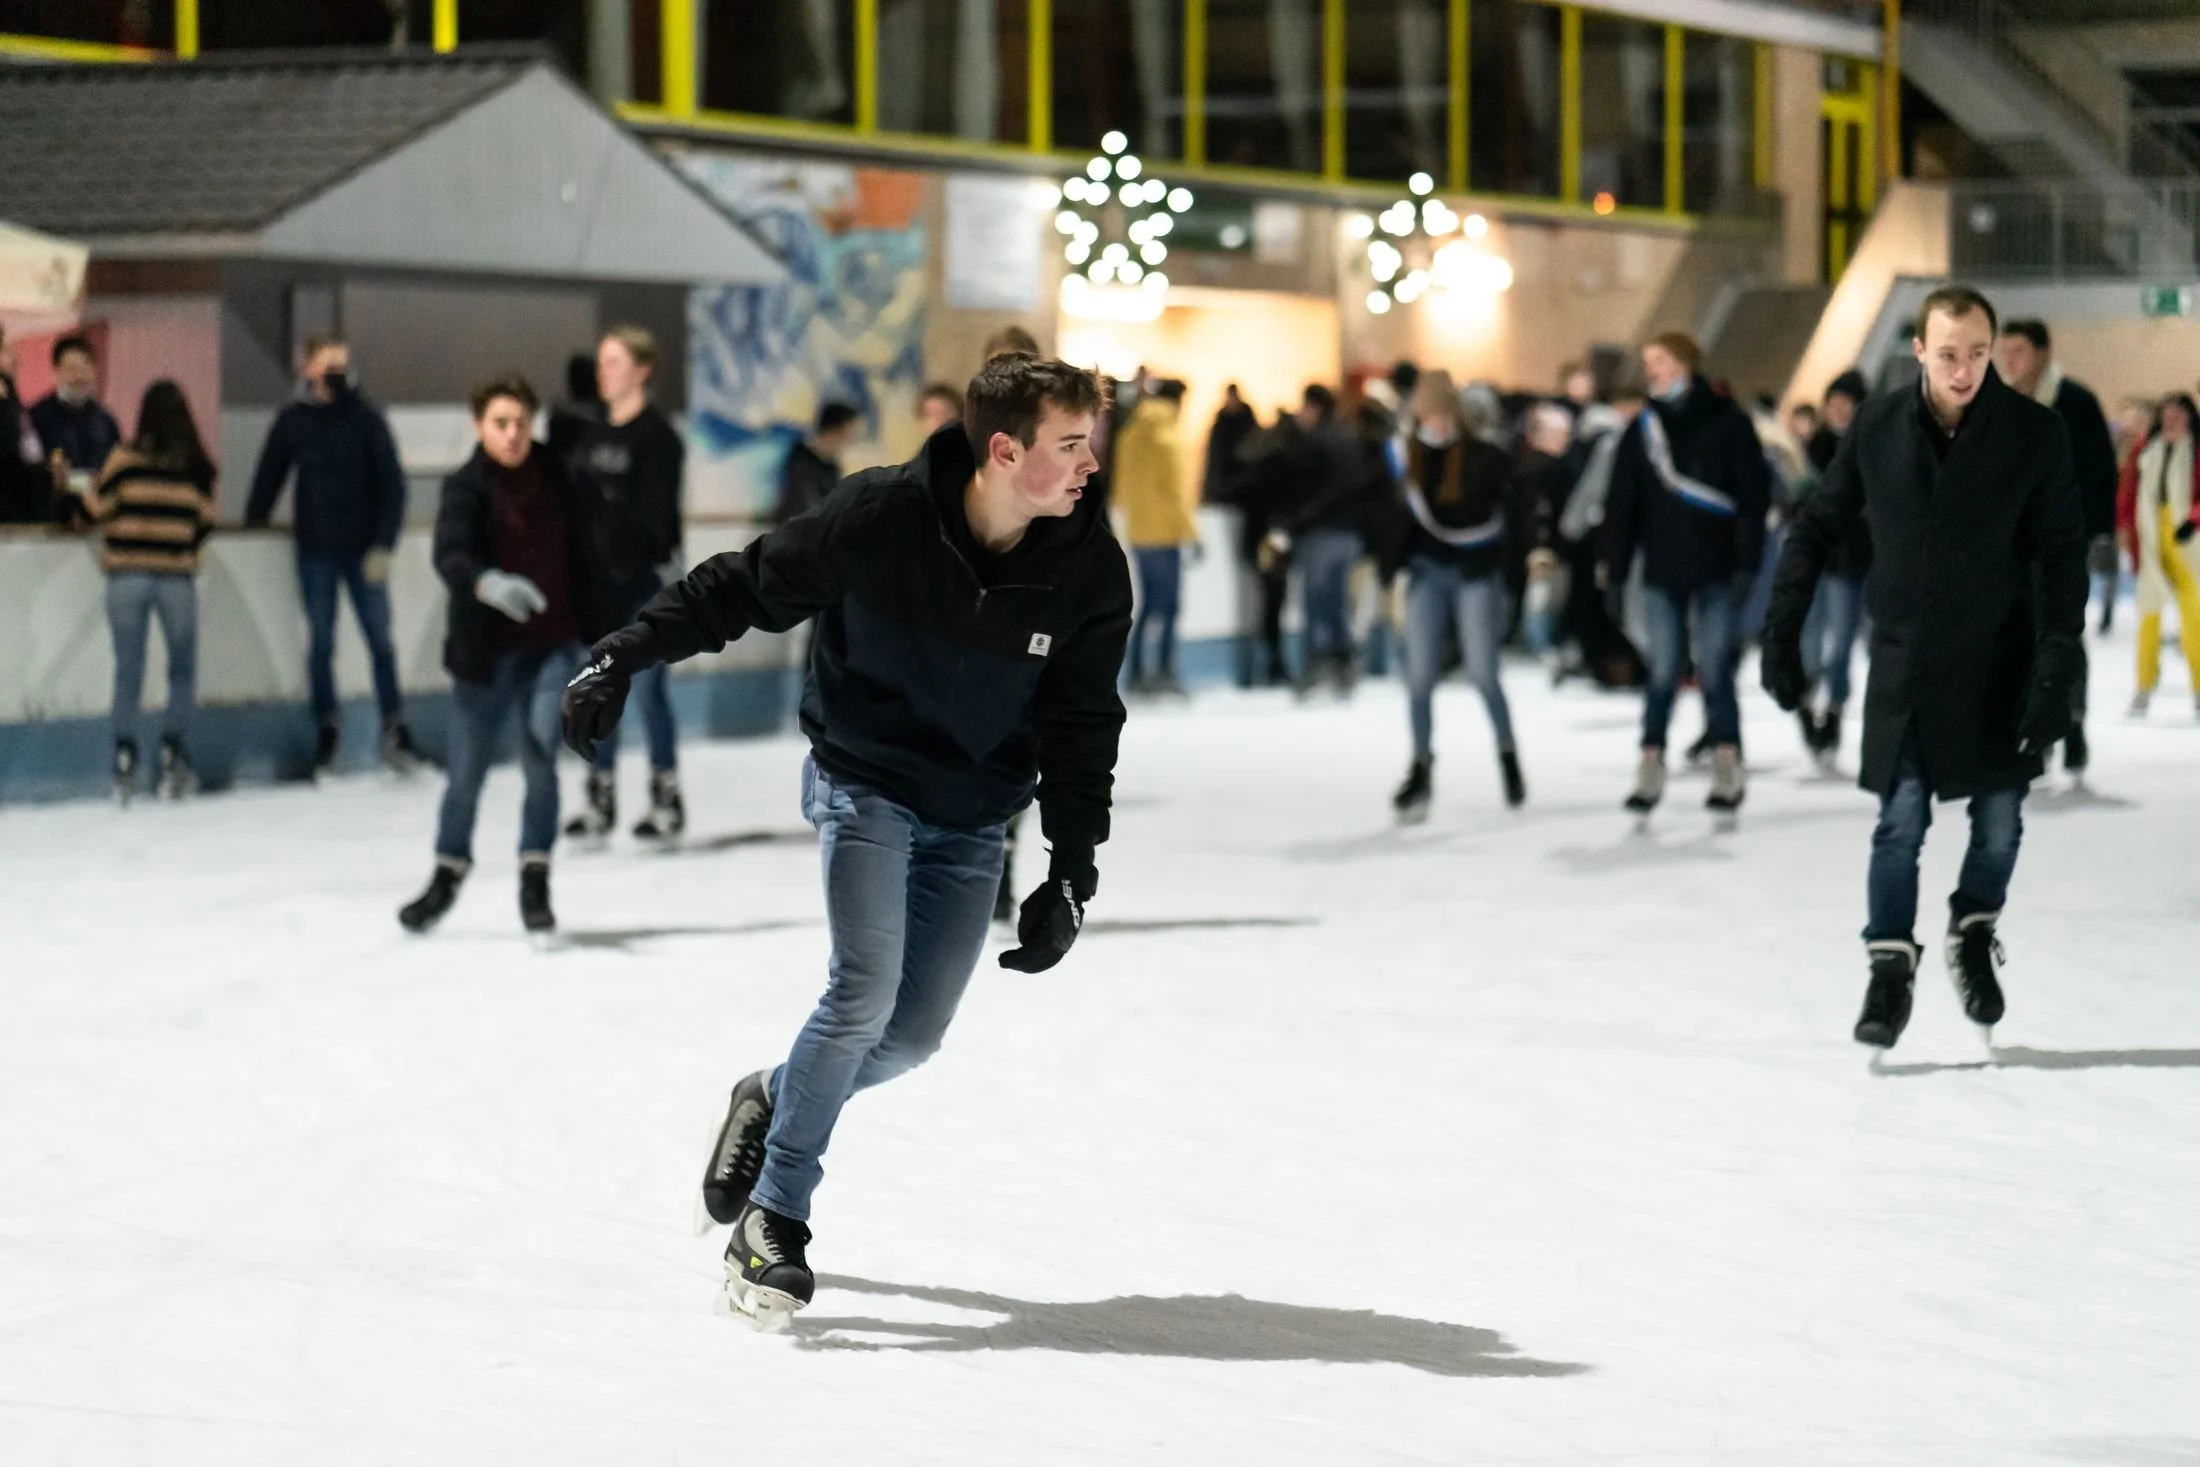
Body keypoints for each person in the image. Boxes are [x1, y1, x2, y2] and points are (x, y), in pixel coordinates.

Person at [562, 354, 1130, 1330]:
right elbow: (742, 586)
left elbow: (1083, 725)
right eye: (1069, 445)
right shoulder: (881, 518)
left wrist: (1070, 867)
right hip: (863, 776)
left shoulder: (1085, 568)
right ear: (1004, 449)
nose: (1089, 466)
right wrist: (625, 652)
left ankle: (774, 1092)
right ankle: (774, 1217)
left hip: (971, 812)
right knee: (861, 989)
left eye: (1091, 444)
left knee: (911, 1039)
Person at [1762, 285, 2086, 1051]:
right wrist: (1782, 632)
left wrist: (2054, 671)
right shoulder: (1877, 426)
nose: (1966, 368)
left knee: (2001, 827)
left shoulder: (2034, 434)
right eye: (1949, 354)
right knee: (1899, 821)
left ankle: (1972, 928)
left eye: (1979, 352)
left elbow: (2061, 559)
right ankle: (1888, 962)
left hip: (2000, 663)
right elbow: (1815, 527)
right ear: (1918, 351)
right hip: (1906, 664)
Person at [399, 373, 614, 939]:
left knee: (541, 752)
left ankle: (534, 873)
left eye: (521, 422)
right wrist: (485, 582)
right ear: (478, 426)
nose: (513, 434)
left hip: (554, 645)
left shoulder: (562, 476)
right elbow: (449, 553)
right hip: (486, 656)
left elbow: (595, 546)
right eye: (501, 424)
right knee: (465, 774)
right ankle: (448, 871)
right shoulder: (466, 486)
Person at [1600, 331, 1769, 816]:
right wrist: (1614, 572)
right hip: (1661, 570)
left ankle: (1726, 762)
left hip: (1717, 568)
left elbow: (1752, 500)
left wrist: (1746, 564)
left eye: (1660, 361)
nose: (1651, 370)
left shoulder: (1728, 423)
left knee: (1715, 669)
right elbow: (1622, 506)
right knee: (1663, 669)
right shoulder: (1643, 430)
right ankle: (1650, 763)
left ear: (1685, 365)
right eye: (1648, 362)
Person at [244, 334, 421, 774]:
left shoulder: (367, 419)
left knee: (380, 641)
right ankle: (327, 726)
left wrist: (383, 544)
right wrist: (251, 527)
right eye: (329, 367)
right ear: (309, 371)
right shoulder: (294, 420)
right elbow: (269, 475)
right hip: (316, 551)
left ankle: (394, 725)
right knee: (320, 644)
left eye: (344, 365)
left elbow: (393, 486)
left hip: (363, 552)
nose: (339, 375)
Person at [559, 327, 689, 843]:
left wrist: (609, 519)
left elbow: (655, 521)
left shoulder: (659, 438)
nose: (603, 371)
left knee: (652, 694)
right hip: (596, 590)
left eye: (614, 361)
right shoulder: (591, 436)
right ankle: (600, 797)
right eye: (601, 362)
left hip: (643, 586)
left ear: (642, 369)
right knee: (595, 689)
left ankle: (666, 798)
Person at [1381, 369, 1526, 820]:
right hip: (1427, 575)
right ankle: (1420, 766)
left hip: (1475, 575)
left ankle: (1506, 753)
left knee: (1483, 672)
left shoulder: (1485, 458)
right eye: (1426, 418)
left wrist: (1516, 574)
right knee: (1419, 676)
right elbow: (1387, 514)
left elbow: (1513, 515)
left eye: (1441, 418)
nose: (1434, 427)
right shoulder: (1409, 459)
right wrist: (1389, 565)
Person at [84, 381, 218, 802]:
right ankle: (173, 754)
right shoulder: (193, 465)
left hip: (126, 576)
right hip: (175, 577)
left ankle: (125, 758)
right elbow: (206, 520)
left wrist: (76, 491)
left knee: (128, 669)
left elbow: (97, 509)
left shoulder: (123, 458)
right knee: (181, 670)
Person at [1995, 318, 2117, 776]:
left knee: (2062, 631)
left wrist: (2101, 532)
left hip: (2067, 539)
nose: (2010, 361)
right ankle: (2038, 727)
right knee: (2023, 633)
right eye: (2004, 352)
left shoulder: (2074, 402)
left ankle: (2074, 721)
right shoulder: (1998, 406)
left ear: (2042, 353)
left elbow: (2100, 471)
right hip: (2012, 545)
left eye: (2019, 351)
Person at [1794, 369, 1873, 763]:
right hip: (1815, 559)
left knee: (1841, 642)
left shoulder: (1873, 448)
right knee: (1809, 640)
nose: (1838, 410)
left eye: (1846, 403)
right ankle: (1809, 705)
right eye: (1833, 402)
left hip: (1851, 561)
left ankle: (1836, 709)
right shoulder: (1813, 447)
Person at [1271, 384, 1365, 695]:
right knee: (1336, 602)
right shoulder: (1347, 439)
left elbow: (1312, 492)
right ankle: (1343, 662)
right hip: (1348, 532)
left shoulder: (1314, 444)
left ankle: (1319, 663)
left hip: (1320, 533)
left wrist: (1295, 523)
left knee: (1316, 602)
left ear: (1315, 407)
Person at [1113, 379, 1196, 696]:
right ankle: (1163, 669)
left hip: (1139, 531)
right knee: (1170, 606)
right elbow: (1175, 492)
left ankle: (1135, 671)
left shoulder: (1130, 434)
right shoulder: (1168, 438)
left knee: (1148, 605)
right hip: (1166, 533)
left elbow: (1120, 491)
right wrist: (1191, 532)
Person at [2124, 393, 2200, 717]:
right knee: (2149, 615)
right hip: (2152, 532)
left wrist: (2194, 519)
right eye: (2167, 415)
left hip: (2190, 540)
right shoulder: (2147, 449)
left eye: (2178, 415)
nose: (2172, 421)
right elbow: (2129, 491)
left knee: (2193, 618)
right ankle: (2144, 684)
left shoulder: (2196, 449)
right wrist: (2126, 530)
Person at [1516, 401, 1576, 667]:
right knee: (1542, 602)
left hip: (1549, 546)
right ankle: (1541, 651)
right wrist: (1539, 545)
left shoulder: (1532, 466)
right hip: (1545, 549)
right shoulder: (1544, 470)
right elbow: (1537, 511)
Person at [29, 334, 122, 500]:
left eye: (85, 368)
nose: (79, 377)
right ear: (56, 372)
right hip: (49, 515)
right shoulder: (37, 418)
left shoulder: (105, 421)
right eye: (72, 369)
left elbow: (116, 469)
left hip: (98, 514)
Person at [776, 402, 858, 523]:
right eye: (848, 433)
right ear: (834, 431)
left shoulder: (831, 468)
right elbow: (803, 513)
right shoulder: (801, 462)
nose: (849, 441)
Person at [1202, 383, 1256, 504]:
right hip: (1225, 483)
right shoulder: (1222, 422)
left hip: (1241, 483)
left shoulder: (1246, 420)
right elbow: (1215, 458)